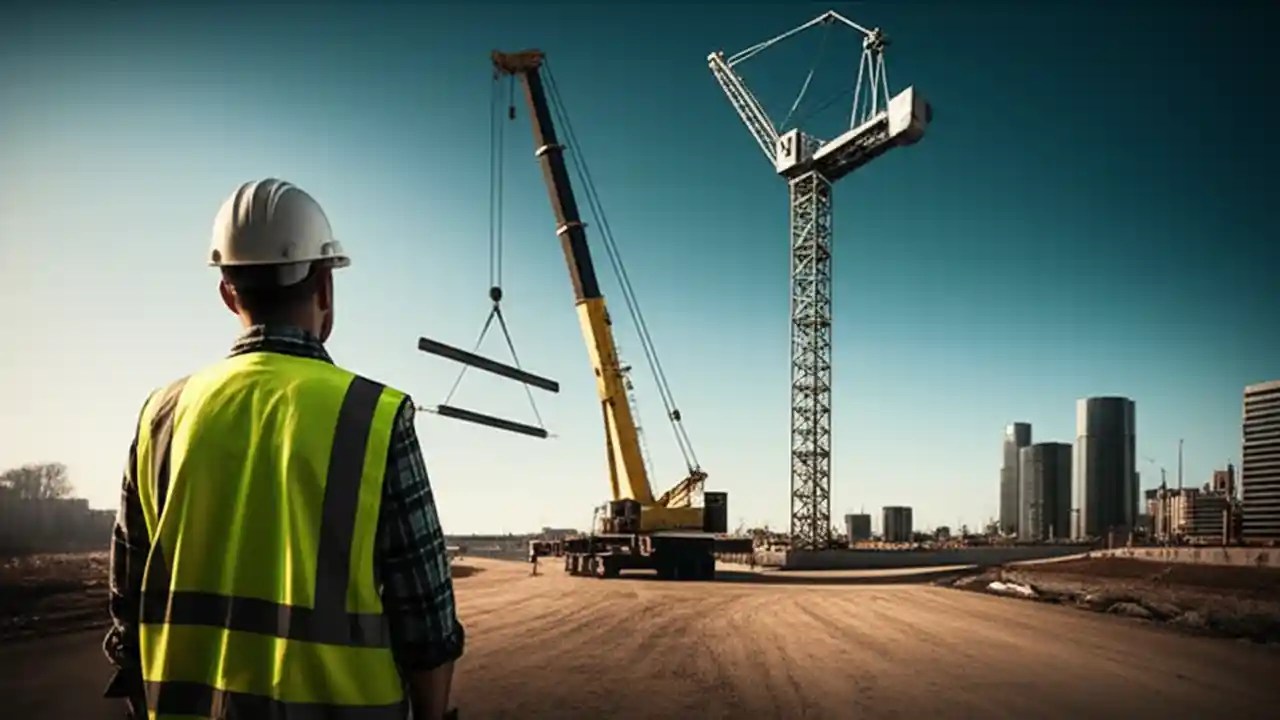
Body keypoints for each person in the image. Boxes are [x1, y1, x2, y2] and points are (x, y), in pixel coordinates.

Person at [103, 178, 465, 719]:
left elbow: (126, 608)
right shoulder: (373, 415)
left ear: (228, 293)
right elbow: (426, 618)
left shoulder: (162, 415)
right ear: (325, 286)